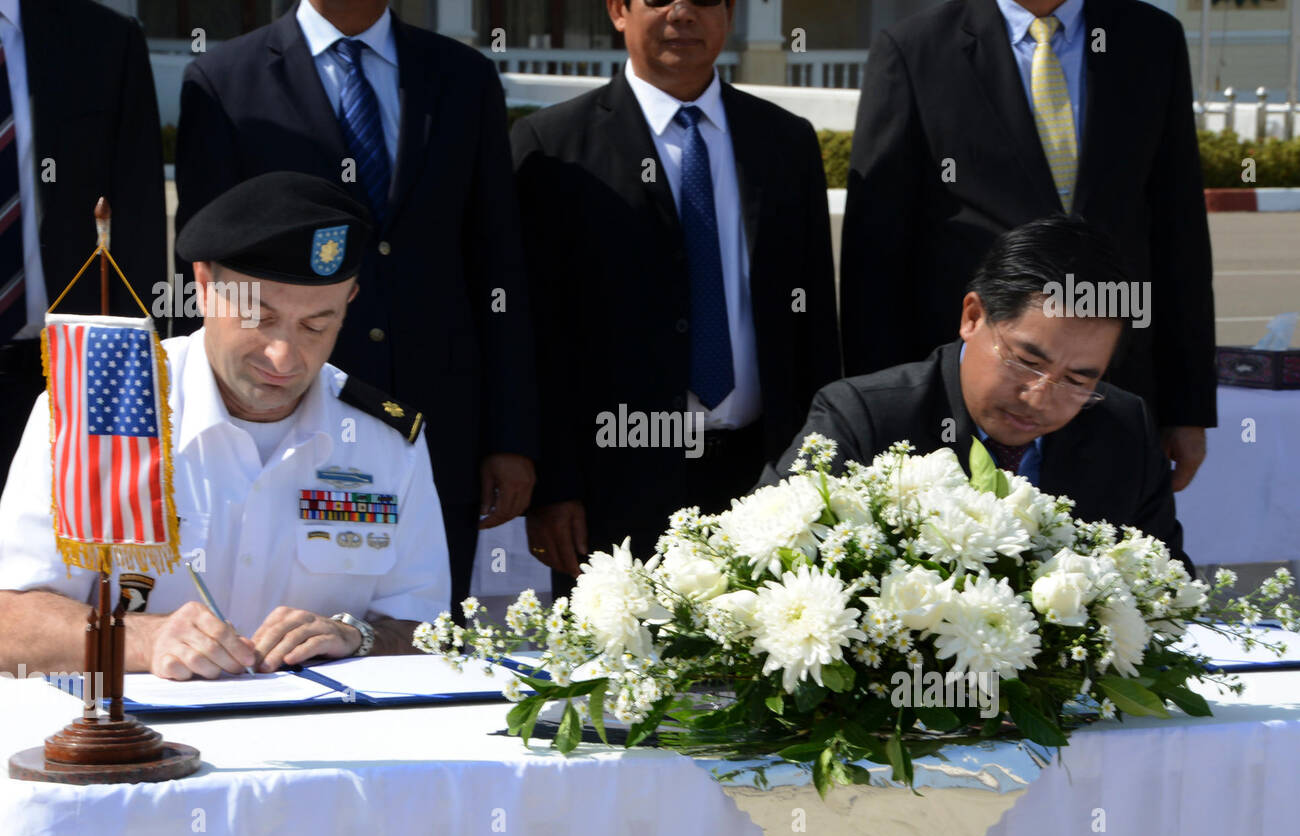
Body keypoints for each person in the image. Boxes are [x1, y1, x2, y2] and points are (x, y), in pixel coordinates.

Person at [0, 172, 449, 680]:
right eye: (259, 317)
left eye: (315, 327)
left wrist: (357, 637)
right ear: (206, 287)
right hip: (140, 742)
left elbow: (429, 630)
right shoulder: (96, 412)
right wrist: (146, 640)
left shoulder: (385, 440)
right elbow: (10, 623)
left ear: (349, 301)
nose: (283, 357)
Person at [173, 0, 537, 613]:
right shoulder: (225, 79)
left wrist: (510, 435)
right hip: (270, 415)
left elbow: (497, 261)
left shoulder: (463, 75)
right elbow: (210, 268)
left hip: (434, 419)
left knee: (416, 630)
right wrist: (208, 417)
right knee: (238, 625)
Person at [513, 0, 841, 587]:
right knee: (618, 675)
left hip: (766, 480)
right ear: (618, 10)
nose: (682, 14)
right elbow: (534, 334)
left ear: (730, 14)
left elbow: (812, 318)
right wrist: (554, 487)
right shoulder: (552, 146)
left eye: (704, 0)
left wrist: (819, 466)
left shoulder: (784, 142)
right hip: (614, 484)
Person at [839, 0, 1215, 492]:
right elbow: (876, 253)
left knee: (1104, 562)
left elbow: (1177, 229)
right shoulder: (916, 48)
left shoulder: (1152, 37)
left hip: (1114, 387)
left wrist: (1188, 407)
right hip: (973, 392)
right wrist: (884, 410)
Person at [766, 216, 1192, 571]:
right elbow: (767, 554)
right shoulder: (863, 418)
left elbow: (1164, 583)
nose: (1039, 399)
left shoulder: (1123, 426)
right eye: (1026, 362)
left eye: (1078, 382)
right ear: (973, 316)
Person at [0, 0, 166, 490]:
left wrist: (145, 357)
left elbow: (139, 214)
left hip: (71, 371)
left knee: (62, 557)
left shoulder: (105, 39)